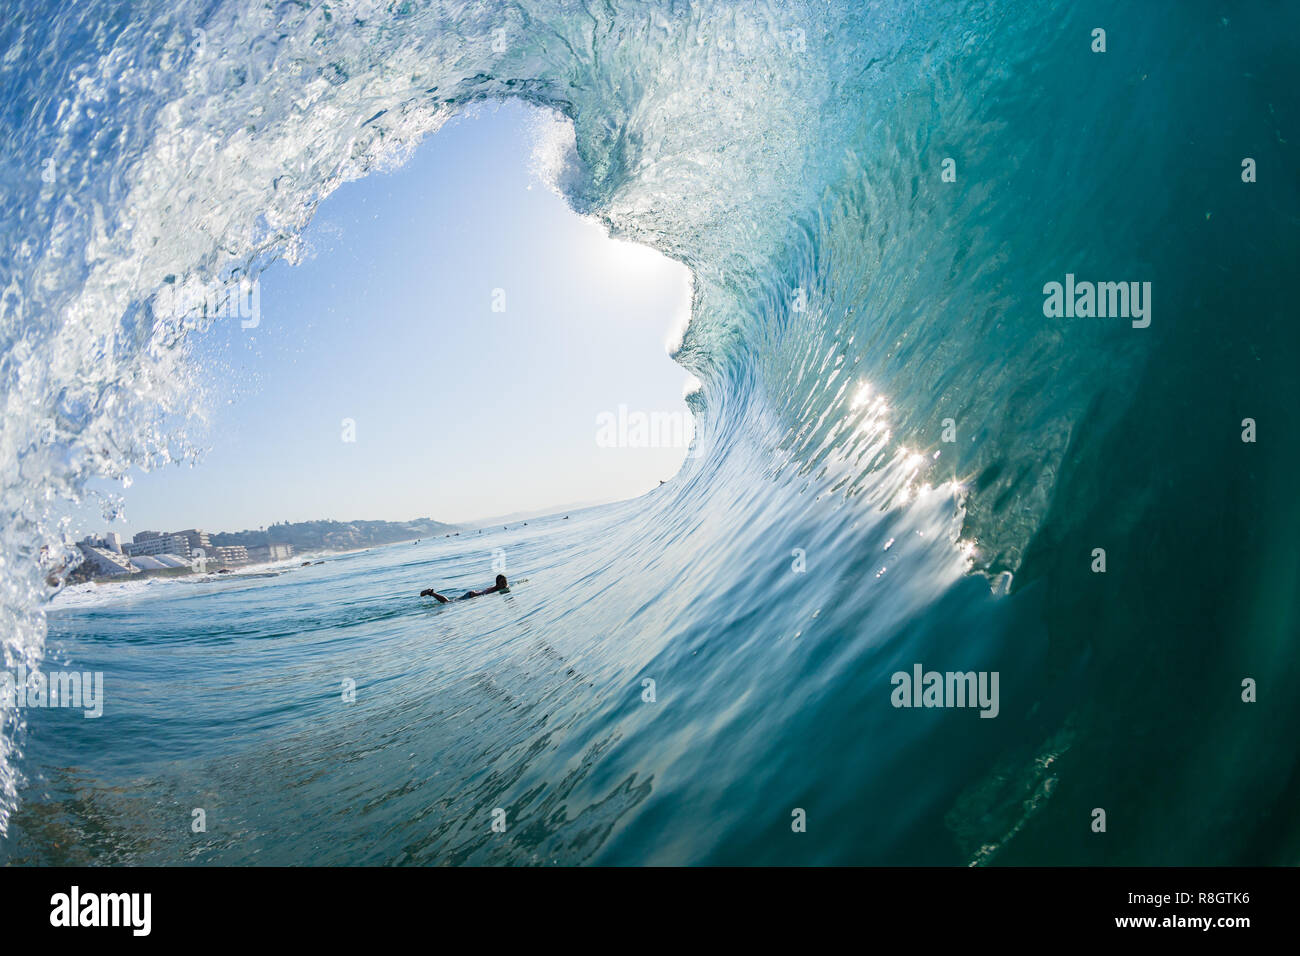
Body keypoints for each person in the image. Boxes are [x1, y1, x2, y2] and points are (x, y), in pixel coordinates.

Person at [421, 574, 508, 602]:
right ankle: (431, 593)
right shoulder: (495, 589)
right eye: (502, 582)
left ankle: (431, 593)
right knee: (448, 603)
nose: (504, 584)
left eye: (505, 582)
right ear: (497, 584)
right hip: (471, 595)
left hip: (472, 594)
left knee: (451, 601)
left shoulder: (497, 587)